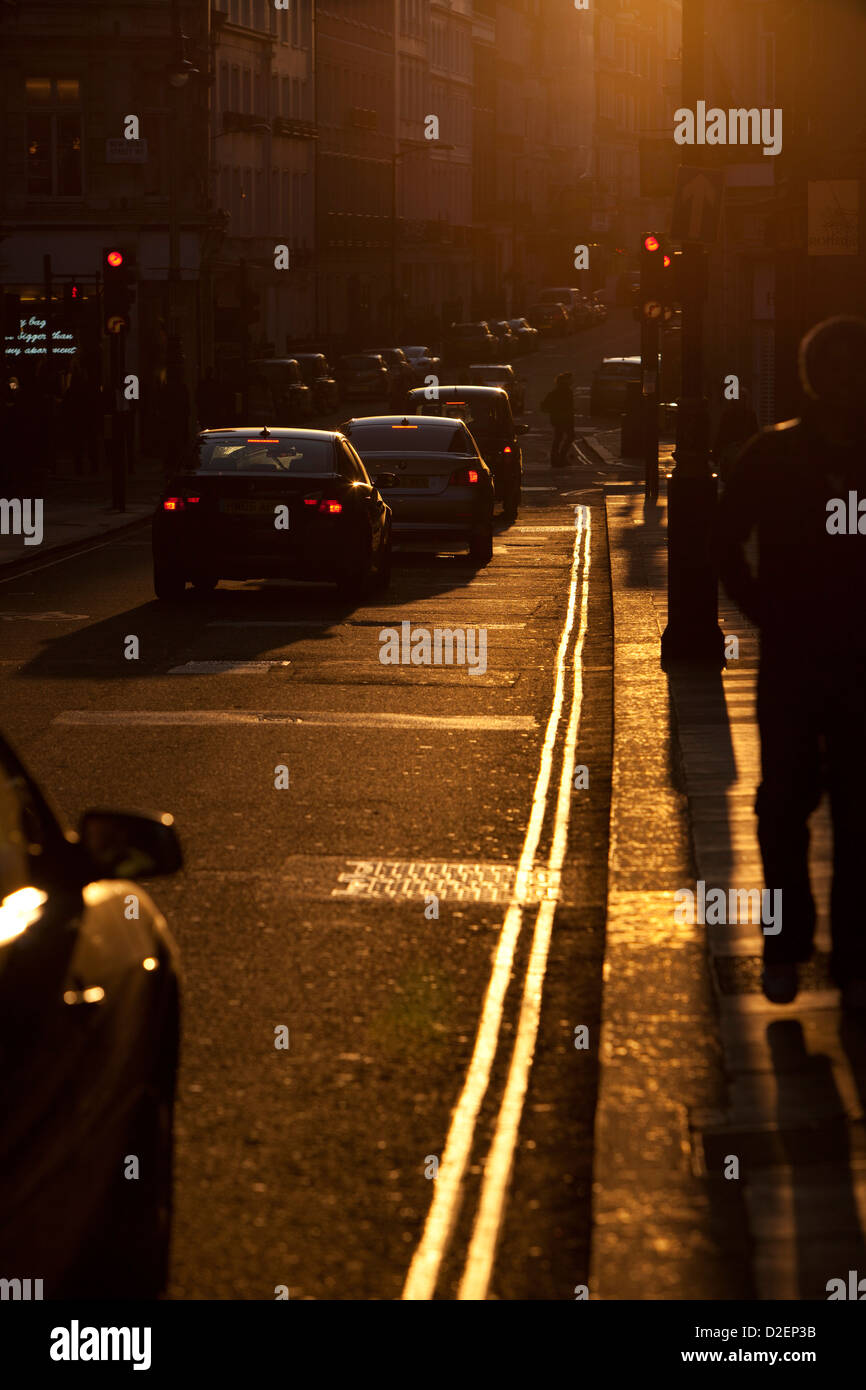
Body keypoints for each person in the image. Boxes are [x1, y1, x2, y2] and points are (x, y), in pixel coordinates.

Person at [718, 316, 866, 1008]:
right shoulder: (773, 455)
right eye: (835, 372)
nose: (845, 385)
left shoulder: (773, 454)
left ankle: (851, 959)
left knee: (855, 813)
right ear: (815, 378)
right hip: (795, 659)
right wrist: (765, 611)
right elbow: (723, 541)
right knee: (783, 807)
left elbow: (723, 541)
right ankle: (788, 947)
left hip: (844, 662)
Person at [713, 386, 759, 485]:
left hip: (730, 452)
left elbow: (721, 436)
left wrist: (715, 455)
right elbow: (755, 434)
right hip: (745, 452)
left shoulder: (728, 415)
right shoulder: (750, 415)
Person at [540, 371, 574, 468]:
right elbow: (565, 406)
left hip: (558, 418)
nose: (572, 381)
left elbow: (545, 405)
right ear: (566, 381)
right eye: (570, 379)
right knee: (566, 437)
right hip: (564, 419)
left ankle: (557, 458)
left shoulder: (556, 392)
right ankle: (560, 458)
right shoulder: (566, 392)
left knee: (559, 438)